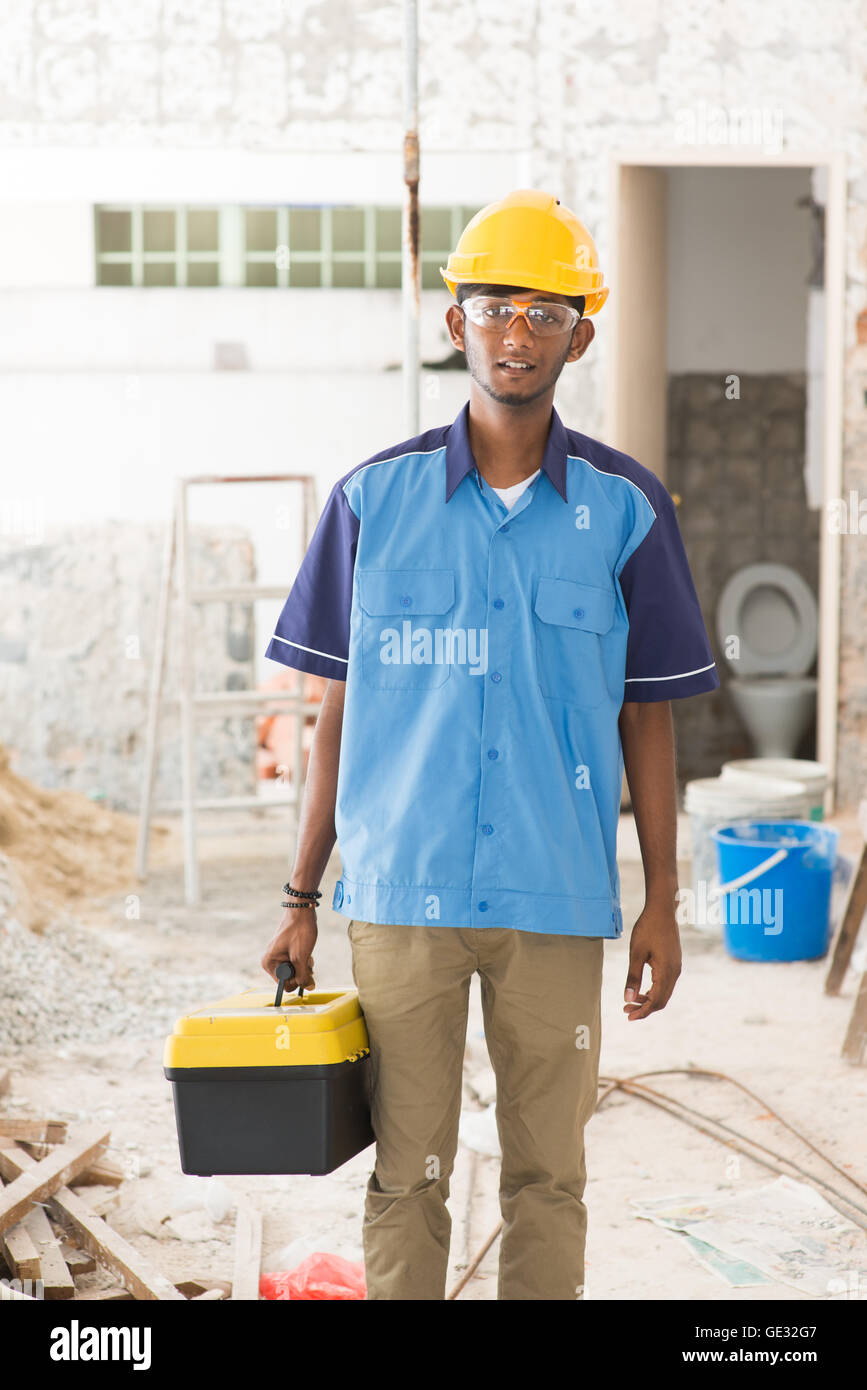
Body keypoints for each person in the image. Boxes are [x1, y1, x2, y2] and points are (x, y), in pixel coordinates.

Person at [260, 189, 719, 1300]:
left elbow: (645, 712)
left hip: (555, 902)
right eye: (496, 307)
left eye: (546, 312)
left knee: (548, 1175)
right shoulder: (373, 501)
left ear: (581, 333)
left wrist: (661, 896)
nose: (518, 332)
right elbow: (333, 711)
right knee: (408, 1175)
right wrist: (299, 894)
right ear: (453, 321)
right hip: (402, 897)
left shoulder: (626, 508)